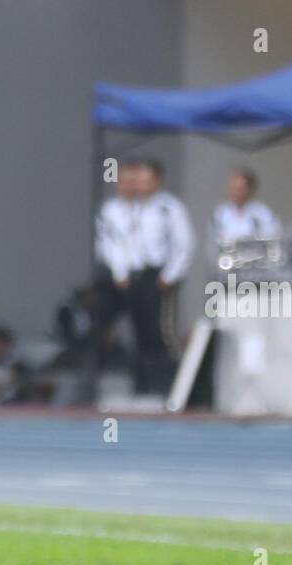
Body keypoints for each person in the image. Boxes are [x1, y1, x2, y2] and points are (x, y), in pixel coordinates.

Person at [90, 158, 193, 396]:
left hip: (156, 276)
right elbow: (114, 244)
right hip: (130, 276)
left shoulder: (168, 208)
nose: (138, 186)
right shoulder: (125, 208)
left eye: (144, 181)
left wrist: (169, 275)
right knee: (133, 329)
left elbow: (184, 244)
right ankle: (138, 384)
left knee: (157, 332)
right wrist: (121, 272)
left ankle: (165, 385)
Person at [208, 168, 280, 244]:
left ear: (249, 190)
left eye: (239, 189)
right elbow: (213, 240)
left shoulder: (262, 214)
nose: (235, 193)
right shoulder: (220, 214)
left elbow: (273, 237)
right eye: (232, 188)